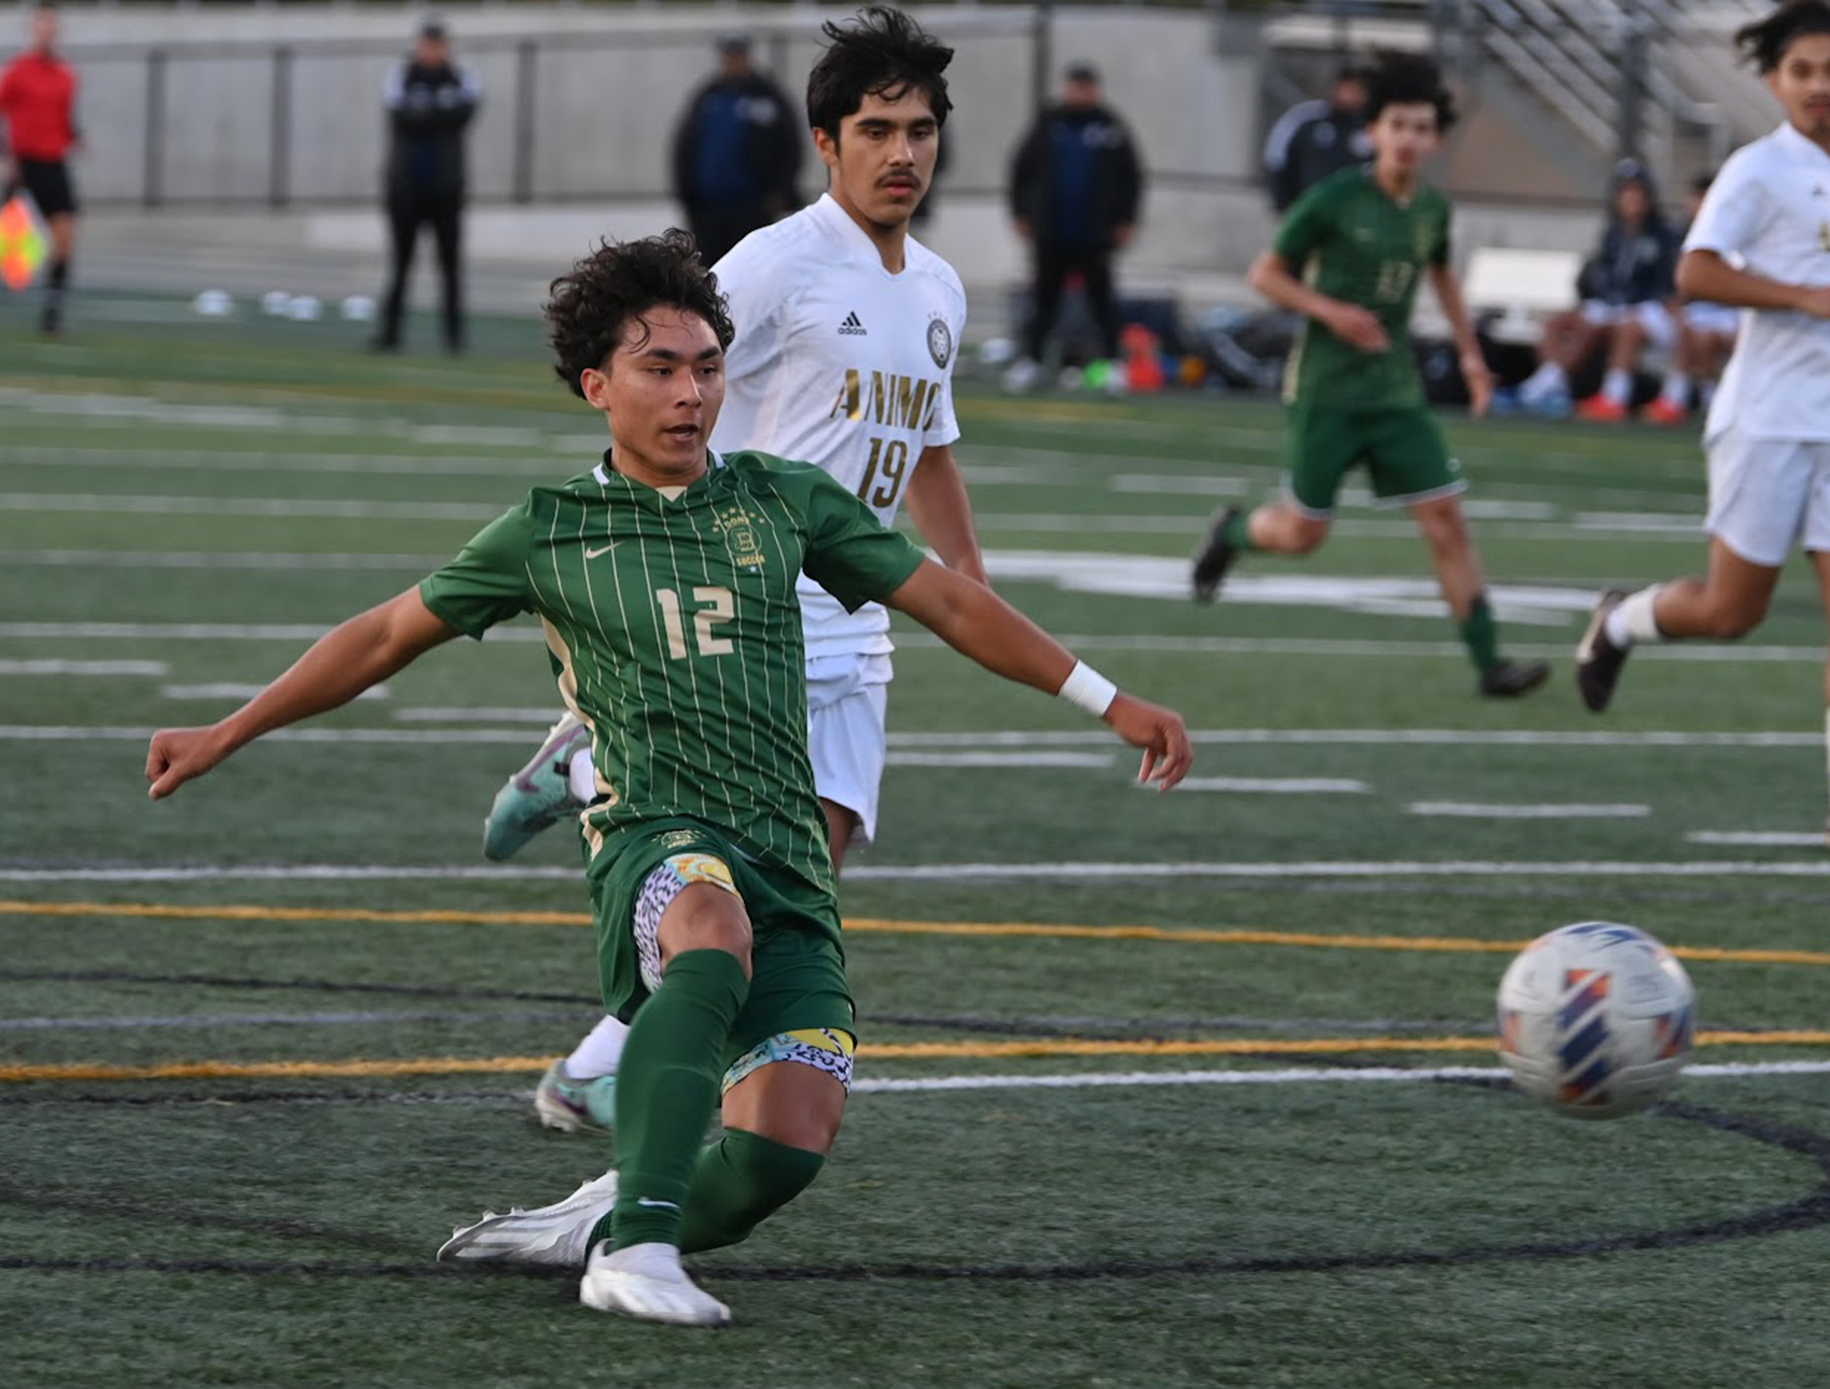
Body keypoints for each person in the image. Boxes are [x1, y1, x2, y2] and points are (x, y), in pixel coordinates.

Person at [145, 230, 1193, 1327]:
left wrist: (1107, 700)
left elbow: (950, 601)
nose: (690, 392)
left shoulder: (780, 499)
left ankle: (601, 1218)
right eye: (659, 368)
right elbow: (379, 637)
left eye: (706, 367)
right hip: (654, 833)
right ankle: (636, 1252)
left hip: (786, 851)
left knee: (782, 1151)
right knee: (706, 926)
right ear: (596, 386)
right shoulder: (547, 531)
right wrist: (229, 729)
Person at [484, 5, 984, 1138]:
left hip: (862, 622)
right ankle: (598, 763)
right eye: (875, 128)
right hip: (751, 606)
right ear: (826, 140)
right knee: (742, 887)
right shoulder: (772, 265)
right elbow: (658, 375)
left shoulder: (941, 290)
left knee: (815, 870)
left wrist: (971, 579)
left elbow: (931, 445)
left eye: (919, 129)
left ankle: (587, 1053)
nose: (901, 151)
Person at [1188, 51, 1550, 701]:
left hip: (1394, 391)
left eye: (1420, 128)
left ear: (1435, 138)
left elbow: (1442, 278)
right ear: (1375, 131)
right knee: (1302, 535)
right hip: (1327, 389)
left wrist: (1471, 357)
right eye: (1397, 125)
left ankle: (1492, 662)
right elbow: (1265, 275)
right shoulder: (1333, 199)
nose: (1408, 139)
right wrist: (1333, 312)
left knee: (1446, 520)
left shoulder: (1432, 211)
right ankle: (1233, 532)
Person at [1575, 0, 1830, 839]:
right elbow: (1696, 273)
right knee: (1730, 613)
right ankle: (1619, 620)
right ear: (1773, 80)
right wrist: (1801, 295)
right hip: (1768, 418)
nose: (1819, 86)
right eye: (1802, 71)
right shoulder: (1762, 171)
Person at [1001, 61, 1144, 392]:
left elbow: (1131, 177)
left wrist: (1127, 220)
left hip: (1094, 235)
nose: (1082, 93)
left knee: (1102, 302)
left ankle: (1112, 364)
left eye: (1087, 87)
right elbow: (1021, 167)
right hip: (1052, 232)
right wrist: (1020, 213)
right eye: (1076, 86)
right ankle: (1031, 362)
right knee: (1043, 301)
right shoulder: (1049, 123)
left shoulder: (1110, 127)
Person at [1509, 159, 1681, 421]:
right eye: (1625, 193)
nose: (1630, 199)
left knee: (1624, 327)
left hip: (1649, 309)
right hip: (1612, 306)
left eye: (1637, 193)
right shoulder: (1612, 233)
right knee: (1559, 323)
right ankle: (1553, 384)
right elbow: (1598, 278)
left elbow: (1665, 286)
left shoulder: (1664, 235)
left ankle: (1612, 396)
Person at [0, 2, 82, 336]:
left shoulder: (66, 75)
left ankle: (51, 313)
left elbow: (64, 119)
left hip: (54, 163)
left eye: (51, 25)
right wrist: (0, 155)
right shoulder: (17, 71)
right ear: (31, 29)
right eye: (41, 24)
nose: (46, 30)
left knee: (65, 235)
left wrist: (75, 136)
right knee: (13, 243)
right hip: (23, 164)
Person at [372, 17, 481, 354]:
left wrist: (428, 113)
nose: (432, 50)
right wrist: (435, 114)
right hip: (406, 188)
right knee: (400, 263)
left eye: (437, 44)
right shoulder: (401, 76)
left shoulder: (462, 77)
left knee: (449, 265)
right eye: (427, 44)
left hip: (446, 188)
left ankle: (453, 338)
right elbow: (403, 118)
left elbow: (460, 117)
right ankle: (389, 335)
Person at [670, 33, 805, 264]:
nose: (733, 62)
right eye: (728, 57)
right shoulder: (708, 96)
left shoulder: (767, 96)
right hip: (709, 211)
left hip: (751, 209)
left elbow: (790, 146)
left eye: (738, 56)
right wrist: (686, 194)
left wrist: (779, 193)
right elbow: (685, 145)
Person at [1643, 171, 1742, 426]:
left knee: (1706, 335)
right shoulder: (1676, 236)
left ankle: (1712, 400)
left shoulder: (1738, 234)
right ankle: (1677, 398)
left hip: (1730, 311)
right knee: (1687, 328)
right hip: (1693, 310)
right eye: (1697, 197)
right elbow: (1667, 284)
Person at [1264, 64, 1373, 214]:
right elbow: (1277, 160)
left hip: (1354, 218)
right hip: (1309, 212)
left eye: (1357, 89)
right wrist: (1283, 205)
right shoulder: (1306, 118)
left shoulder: (1373, 127)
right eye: (1347, 87)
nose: (1352, 94)